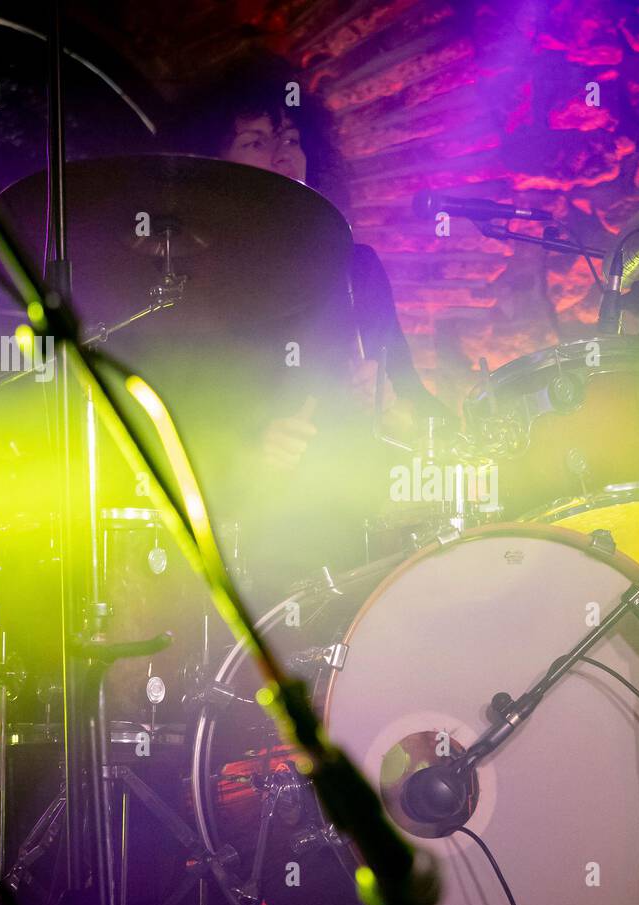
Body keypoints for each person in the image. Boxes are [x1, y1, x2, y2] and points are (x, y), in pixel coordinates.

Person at [166, 52, 447, 597]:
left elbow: (423, 415)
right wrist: (247, 455)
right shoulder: (180, 280)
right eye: (253, 141)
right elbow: (160, 432)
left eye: (290, 138)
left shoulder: (355, 269)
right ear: (210, 168)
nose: (281, 155)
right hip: (243, 560)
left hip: (364, 548)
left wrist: (398, 411)